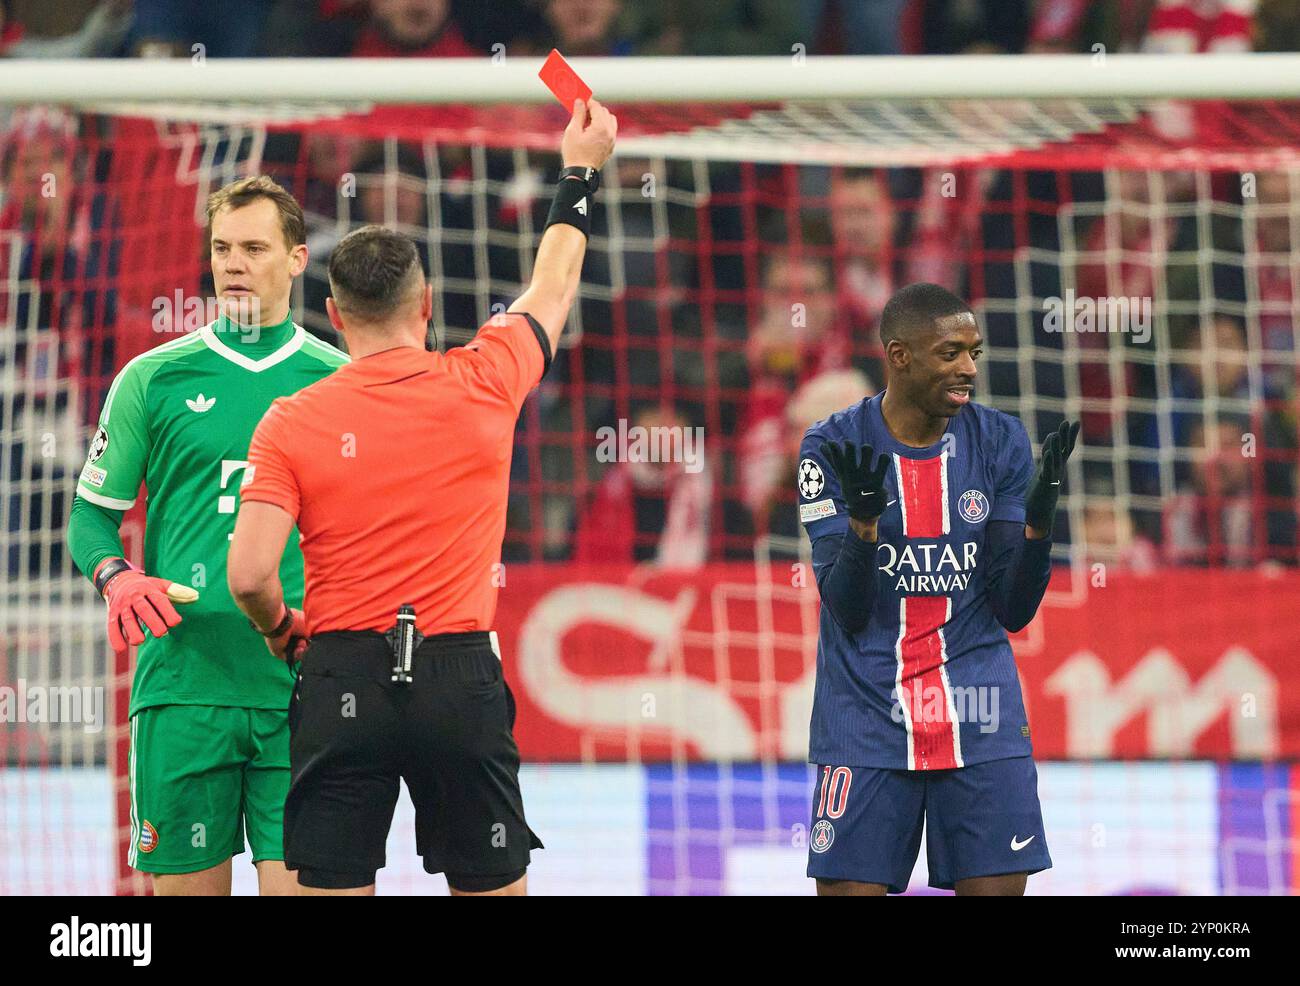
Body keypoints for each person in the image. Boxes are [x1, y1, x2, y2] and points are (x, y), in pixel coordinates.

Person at [227, 97, 617, 896]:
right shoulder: (485, 378)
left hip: (341, 676)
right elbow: (553, 283)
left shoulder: (290, 421)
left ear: (334, 318)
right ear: (428, 305)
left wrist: (281, 633)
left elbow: (250, 575)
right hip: (456, 677)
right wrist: (579, 172)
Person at [64, 176, 349, 895]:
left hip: (301, 690)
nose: (234, 264)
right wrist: (117, 577)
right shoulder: (153, 379)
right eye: (222, 248)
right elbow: (90, 515)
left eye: (255, 248)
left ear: (296, 259)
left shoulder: (338, 384)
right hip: (184, 688)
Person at [797, 282, 1077, 896]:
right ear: (900, 356)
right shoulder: (831, 445)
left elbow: (1013, 609)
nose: (969, 368)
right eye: (951, 353)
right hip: (866, 719)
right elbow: (845, 607)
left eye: (973, 352)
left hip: (981, 717)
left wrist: (1038, 526)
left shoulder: (1000, 441)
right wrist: (866, 529)